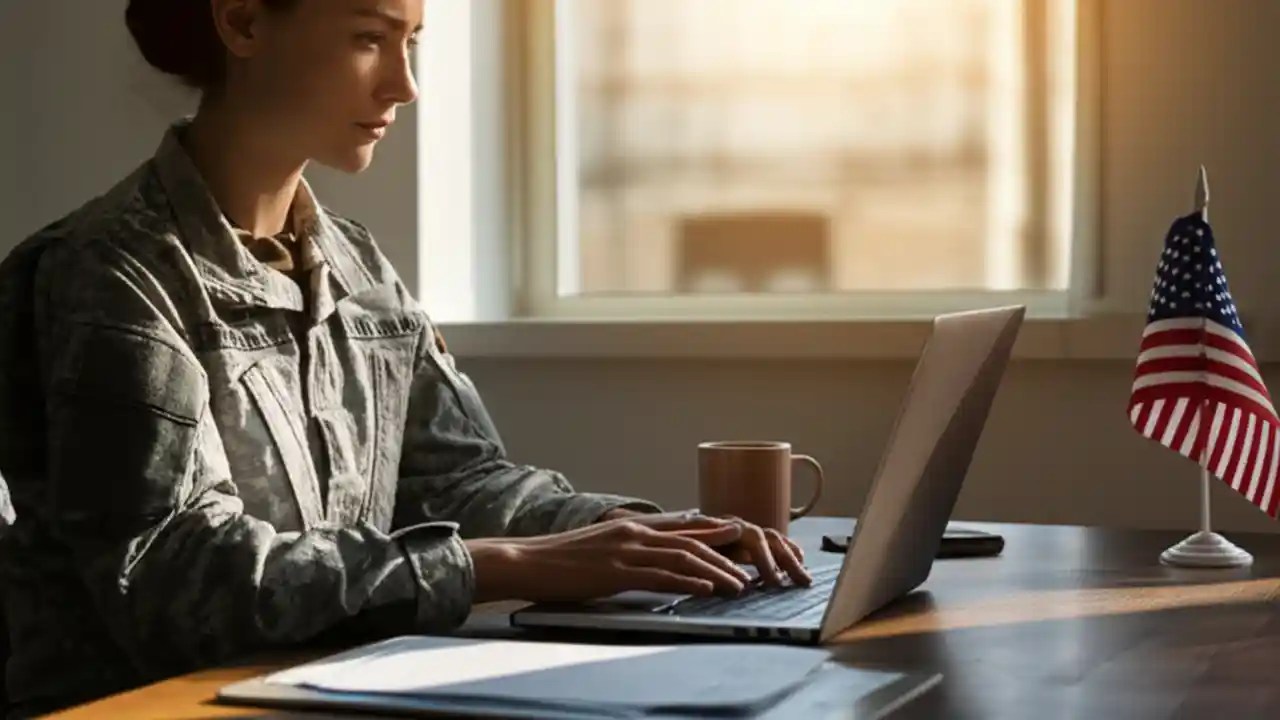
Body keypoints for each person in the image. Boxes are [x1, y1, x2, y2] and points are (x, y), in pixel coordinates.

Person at [0, 0, 811, 714]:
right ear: (242, 20)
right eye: (369, 38)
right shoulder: (108, 273)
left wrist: (627, 531)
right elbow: (177, 577)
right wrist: (500, 566)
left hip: (324, 685)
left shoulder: (358, 266)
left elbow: (457, 480)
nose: (404, 84)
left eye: (413, 42)